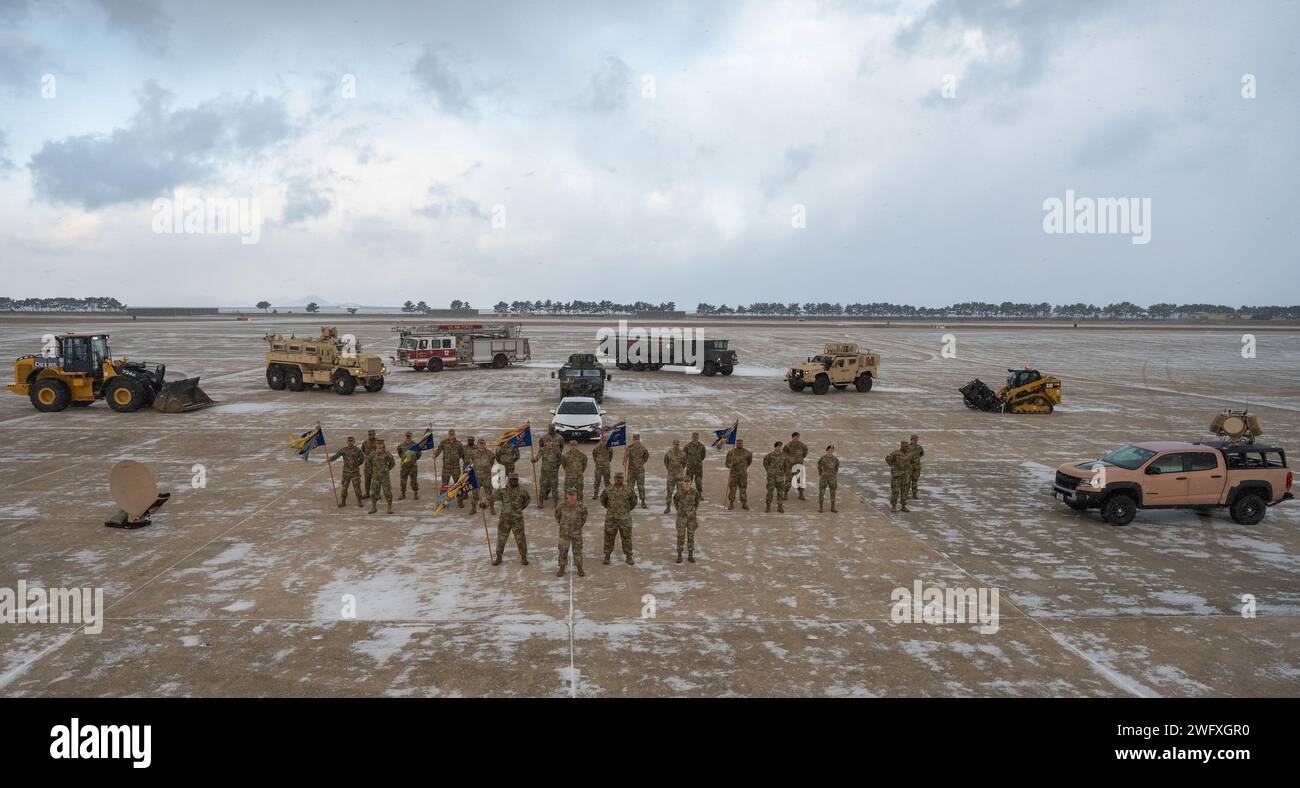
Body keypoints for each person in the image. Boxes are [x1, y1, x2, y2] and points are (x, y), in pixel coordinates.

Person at [600, 471, 639, 565]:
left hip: (625, 518)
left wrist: (626, 510)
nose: (619, 479)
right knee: (609, 537)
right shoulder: (608, 489)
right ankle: (607, 555)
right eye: (617, 478)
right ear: (614, 479)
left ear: (623, 479)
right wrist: (610, 509)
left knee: (626, 538)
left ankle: (629, 556)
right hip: (611, 518)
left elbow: (634, 501)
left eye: (620, 478)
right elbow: (603, 500)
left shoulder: (629, 490)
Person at [491, 475, 530, 565]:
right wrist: (484, 504)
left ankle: (523, 557)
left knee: (520, 538)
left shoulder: (522, 491)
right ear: (509, 480)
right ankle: (499, 557)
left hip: (517, 520)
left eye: (515, 480)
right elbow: (494, 497)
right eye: (512, 480)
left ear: (517, 480)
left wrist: (520, 508)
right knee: (501, 538)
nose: (514, 481)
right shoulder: (503, 490)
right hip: (505, 519)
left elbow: (527, 500)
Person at [555, 489, 587, 578]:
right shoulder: (561, 506)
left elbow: (584, 518)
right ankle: (562, 568)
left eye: (573, 495)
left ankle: (579, 568)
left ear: (576, 496)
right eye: (570, 495)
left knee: (577, 551)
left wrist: (578, 527)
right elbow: (557, 516)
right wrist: (563, 526)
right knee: (563, 551)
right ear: (567, 496)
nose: (572, 497)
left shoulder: (581, 507)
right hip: (564, 534)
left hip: (576, 534)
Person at [328, 436, 365, 508]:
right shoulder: (343, 450)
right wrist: (331, 459)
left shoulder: (358, 450)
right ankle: (343, 501)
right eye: (349, 441)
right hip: (346, 473)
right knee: (344, 488)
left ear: (354, 442)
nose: (350, 443)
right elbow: (337, 455)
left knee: (357, 488)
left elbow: (362, 459)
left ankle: (359, 501)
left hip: (355, 473)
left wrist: (357, 464)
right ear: (347, 442)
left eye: (352, 441)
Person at [434, 430, 466, 509]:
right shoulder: (443, 442)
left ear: (454, 435)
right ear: (448, 434)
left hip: (456, 468)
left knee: (458, 485)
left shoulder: (459, 444)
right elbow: (439, 450)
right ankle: (442, 502)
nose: (451, 436)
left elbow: (463, 454)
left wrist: (468, 463)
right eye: (450, 434)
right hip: (446, 468)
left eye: (452, 434)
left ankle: (460, 502)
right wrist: (435, 455)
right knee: (444, 486)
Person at [673, 477, 701, 563]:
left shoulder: (694, 492)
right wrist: (679, 511)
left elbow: (697, 502)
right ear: (683, 483)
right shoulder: (679, 492)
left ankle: (690, 555)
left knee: (691, 536)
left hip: (691, 518)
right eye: (685, 482)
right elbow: (675, 502)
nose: (687, 483)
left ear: (691, 482)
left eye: (688, 482)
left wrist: (692, 510)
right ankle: (679, 555)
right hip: (681, 518)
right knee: (680, 537)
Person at [534, 429, 562, 508]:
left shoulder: (556, 450)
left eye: (550, 442)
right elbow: (537, 457)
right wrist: (534, 460)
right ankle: (541, 502)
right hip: (544, 472)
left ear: (552, 442)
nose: (549, 443)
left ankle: (555, 501)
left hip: (553, 472)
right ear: (545, 443)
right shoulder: (542, 450)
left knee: (554, 487)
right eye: (547, 442)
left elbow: (560, 459)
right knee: (542, 487)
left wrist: (556, 466)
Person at [469, 438, 496, 515]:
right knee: (475, 493)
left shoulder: (489, 453)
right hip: (476, 477)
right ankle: (473, 508)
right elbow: (471, 463)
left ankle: (492, 508)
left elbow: (492, 461)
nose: (481, 445)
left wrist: (488, 468)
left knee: (489, 493)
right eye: (480, 443)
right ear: (477, 445)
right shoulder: (473, 453)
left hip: (486, 478)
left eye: (483, 443)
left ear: (485, 444)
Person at [368, 439, 396, 514]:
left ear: (383, 445)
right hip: (375, 477)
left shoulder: (387, 454)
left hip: (385, 477)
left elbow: (392, 463)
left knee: (387, 492)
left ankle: (389, 507)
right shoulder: (372, 454)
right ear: (376, 445)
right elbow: (368, 462)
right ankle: (374, 507)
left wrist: (386, 469)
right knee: (374, 493)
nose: (379, 445)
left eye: (381, 444)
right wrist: (373, 471)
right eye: (378, 444)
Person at [725, 438, 753, 511]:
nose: (739, 444)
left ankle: (744, 503)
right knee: (732, 489)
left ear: (743, 444)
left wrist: (744, 468)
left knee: (743, 489)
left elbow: (749, 462)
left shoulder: (747, 453)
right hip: (733, 475)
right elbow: (727, 463)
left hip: (743, 475)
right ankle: (731, 503)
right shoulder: (731, 453)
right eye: (738, 443)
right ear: (736, 444)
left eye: (741, 443)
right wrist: (729, 465)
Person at [763, 441, 789, 513]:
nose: (779, 448)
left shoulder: (784, 456)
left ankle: (780, 507)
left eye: (780, 447)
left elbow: (786, 466)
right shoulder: (770, 455)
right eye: (778, 447)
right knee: (770, 492)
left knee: (780, 492)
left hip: (780, 477)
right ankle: (768, 506)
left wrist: (784, 473)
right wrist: (769, 471)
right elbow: (765, 463)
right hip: (771, 477)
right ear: (775, 447)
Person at [624, 434, 650, 507]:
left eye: (637, 439)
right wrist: (625, 461)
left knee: (641, 487)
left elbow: (646, 456)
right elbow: (626, 457)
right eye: (635, 439)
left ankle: (643, 501)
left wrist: (642, 463)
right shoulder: (629, 448)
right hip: (631, 471)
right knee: (630, 487)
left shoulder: (643, 448)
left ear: (639, 440)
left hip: (640, 471)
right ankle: (629, 501)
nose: (636, 441)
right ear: (633, 440)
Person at [782, 432, 809, 501]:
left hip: (799, 465)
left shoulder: (802, 445)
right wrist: (789, 459)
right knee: (788, 480)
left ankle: (801, 494)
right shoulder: (788, 445)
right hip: (790, 466)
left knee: (800, 480)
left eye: (797, 437)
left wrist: (799, 459)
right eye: (795, 437)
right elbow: (784, 453)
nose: (796, 438)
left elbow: (805, 453)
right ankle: (785, 493)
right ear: (792, 437)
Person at [887, 440, 911, 512]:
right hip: (897, 476)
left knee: (904, 491)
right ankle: (893, 506)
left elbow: (912, 462)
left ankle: (903, 506)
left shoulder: (909, 454)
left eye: (907, 447)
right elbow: (888, 459)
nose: (906, 448)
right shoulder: (896, 453)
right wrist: (893, 466)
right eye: (904, 446)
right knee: (895, 491)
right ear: (901, 446)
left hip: (905, 475)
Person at [663, 439, 686, 514]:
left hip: (680, 477)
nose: (676, 446)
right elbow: (666, 462)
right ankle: (668, 507)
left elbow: (684, 463)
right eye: (675, 444)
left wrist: (680, 470)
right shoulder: (668, 454)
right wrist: (670, 469)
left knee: (681, 493)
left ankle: (680, 508)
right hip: (671, 477)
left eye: (677, 444)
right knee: (669, 492)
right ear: (672, 444)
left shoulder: (683, 454)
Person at [398, 431, 420, 501]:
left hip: (413, 466)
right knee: (403, 481)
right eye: (407, 436)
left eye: (409, 436)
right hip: (404, 466)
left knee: (414, 481)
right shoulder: (401, 445)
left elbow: (419, 455)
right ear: (405, 437)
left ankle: (416, 493)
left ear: (411, 437)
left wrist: (413, 460)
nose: (408, 437)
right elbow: (399, 453)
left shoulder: (415, 445)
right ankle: (403, 493)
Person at [817, 444, 839, 513]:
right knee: (821, 492)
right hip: (824, 477)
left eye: (832, 450)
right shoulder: (823, 458)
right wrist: (821, 474)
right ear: (827, 450)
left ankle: (833, 507)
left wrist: (833, 474)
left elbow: (836, 468)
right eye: (829, 450)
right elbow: (819, 466)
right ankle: (821, 507)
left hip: (832, 477)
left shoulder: (835, 459)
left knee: (833, 492)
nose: (831, 451)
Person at [683, 432, 706, 496]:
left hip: (698, 468)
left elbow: (703, 455)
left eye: (696, 437)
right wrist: (689, 462)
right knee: (687, 481)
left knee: (698, 482)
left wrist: (698, 461)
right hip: (690, 467)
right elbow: (684, 456)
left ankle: (699, 495)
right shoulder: (687, 446)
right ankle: (687, 493)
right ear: (692, 437)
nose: (695, 438)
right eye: (694, 437)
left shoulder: (702, 446)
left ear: (698, 438)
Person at [361, 429, 378, 500]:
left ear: (374, 434)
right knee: (367, 479)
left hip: (376, 464)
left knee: (376, 480)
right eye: (369, 434)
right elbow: (363, 450)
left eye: (371, 434)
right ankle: (367, 493)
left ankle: (376, 494)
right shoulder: (365, 443)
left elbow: (382, 450)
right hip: (367, 464)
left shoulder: (378, 442)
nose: (370, 436)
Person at [907, 434, 925, 501]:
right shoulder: (907, 447)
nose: (915, 440)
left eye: (916, 439)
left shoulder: (919, 447)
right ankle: (905, 494)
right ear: (911, 440)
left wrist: (916, 459)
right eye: (914, 439)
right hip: (909, 467)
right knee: (908, 481)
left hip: (917, 467)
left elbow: (922, 453)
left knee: (915, 480)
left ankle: (914, 494)